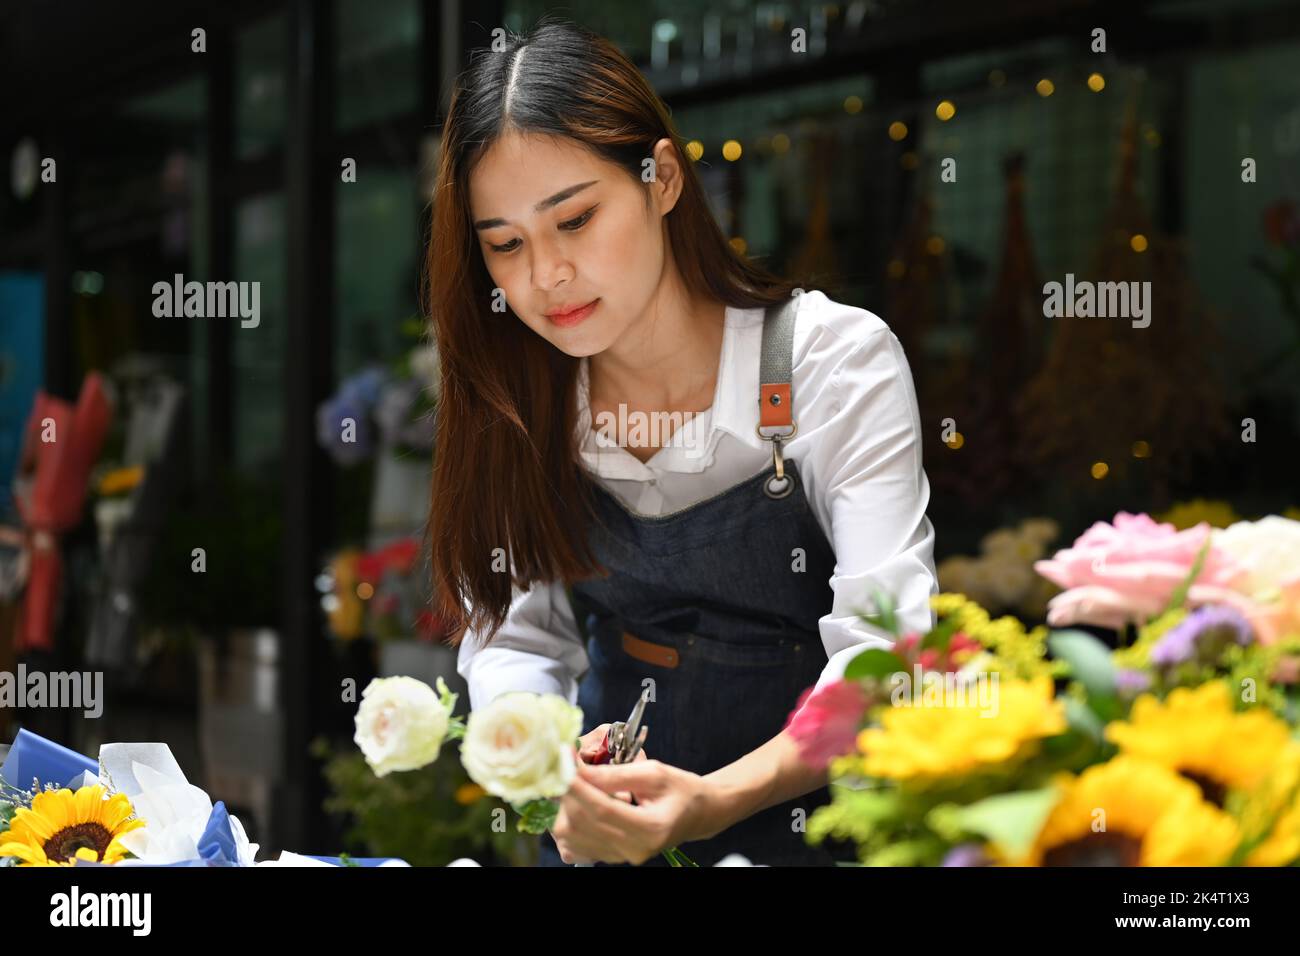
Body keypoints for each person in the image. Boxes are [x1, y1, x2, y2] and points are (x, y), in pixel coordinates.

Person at [427, 18, 937, 867]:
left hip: (827, 825)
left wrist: (712, 804)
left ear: (662, 179)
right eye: (505, 246)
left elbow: (890, 655)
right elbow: (518, 642)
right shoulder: (519, 395)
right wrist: (559, 774)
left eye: (577, 219)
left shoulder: (831, 362)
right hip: (611, 838)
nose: (545, 275)